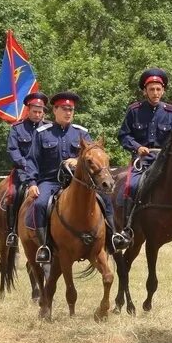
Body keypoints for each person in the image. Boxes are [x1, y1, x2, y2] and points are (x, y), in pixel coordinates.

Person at [25, 91, 121, 265]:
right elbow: (31, 161)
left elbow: (94, 154)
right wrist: (32, 183)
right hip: (50, 181)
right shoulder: (42, 133)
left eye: (71, 109)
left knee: (105, 198)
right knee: (39, 204)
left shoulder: (81, 132)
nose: (68, 112)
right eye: (64, 109)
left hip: (79, 182)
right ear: (54, 110)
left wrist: (77, 160)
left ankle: (113, 237)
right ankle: (45, 247)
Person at [113, 67, 172, 250]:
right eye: (152, 89)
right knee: (130, 186)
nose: (155, 93)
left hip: (165, 163)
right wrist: (137, 147)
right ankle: (126, 229)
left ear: (163, 90)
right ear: (145, 91)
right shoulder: (134, 110)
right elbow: (123, 135)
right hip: (141, 162)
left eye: (159, 89)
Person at [3, 91, 50, 247]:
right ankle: (12, 231)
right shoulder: (17, 128)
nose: (37, 115)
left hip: (46, 173)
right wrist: (25, 164)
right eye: (34, 111)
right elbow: (12, 150)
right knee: (14, 194)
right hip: (23, 170)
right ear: (28, 110)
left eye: (40, 111)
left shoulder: (49, 128)